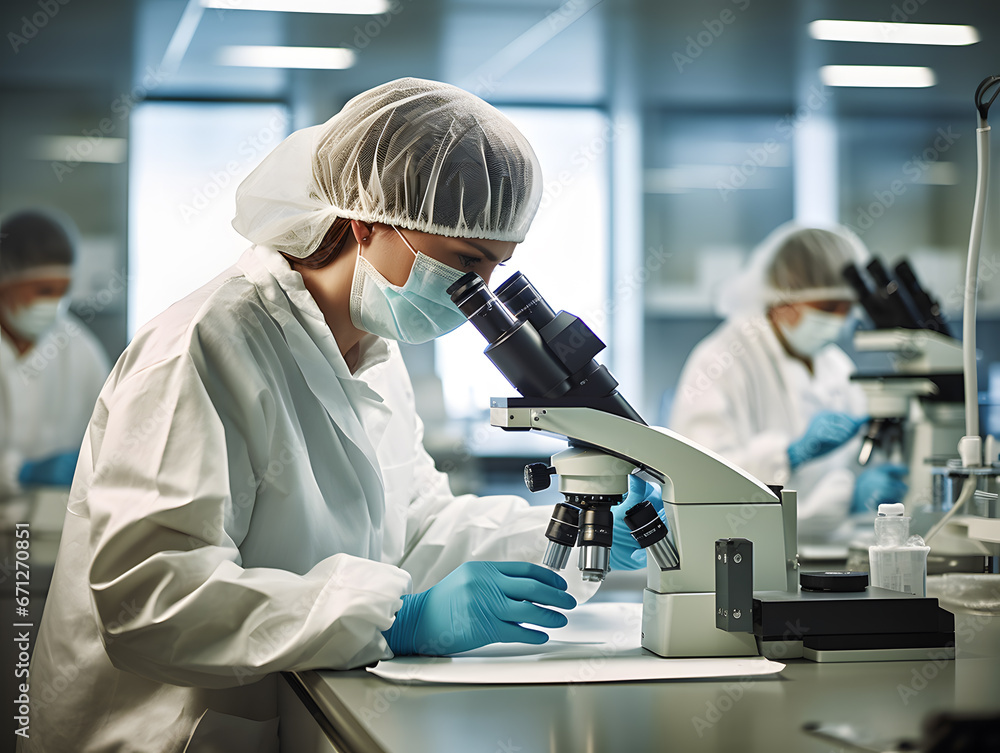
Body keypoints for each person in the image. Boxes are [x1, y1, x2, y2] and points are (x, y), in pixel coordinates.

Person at [22, 78, 654, 753]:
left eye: (498, 269)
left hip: (293, 719)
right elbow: (153, 599)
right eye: (465, 263)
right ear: (366, 221)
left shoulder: (374, 351)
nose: (481, 295)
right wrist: (396, 617)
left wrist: (562, 537)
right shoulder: (204, 346)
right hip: (162, 734)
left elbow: (415, 528)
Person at [669, 223, 908, 542]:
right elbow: (699, 480)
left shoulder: (835, 365)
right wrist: (788, 455)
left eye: (847, 308)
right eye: (827, 307)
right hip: (745, 555)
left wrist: (866, 490)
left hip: (828, 551)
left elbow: (857, 463)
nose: (839, 319)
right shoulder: (723, 359)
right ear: (784, 299)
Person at [0, 210, 110, 497]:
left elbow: (110, 433)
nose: (53, 303)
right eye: (43, 290)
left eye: (63, 291)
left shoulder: (80, 349)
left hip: (51, 523)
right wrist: (17, 472)